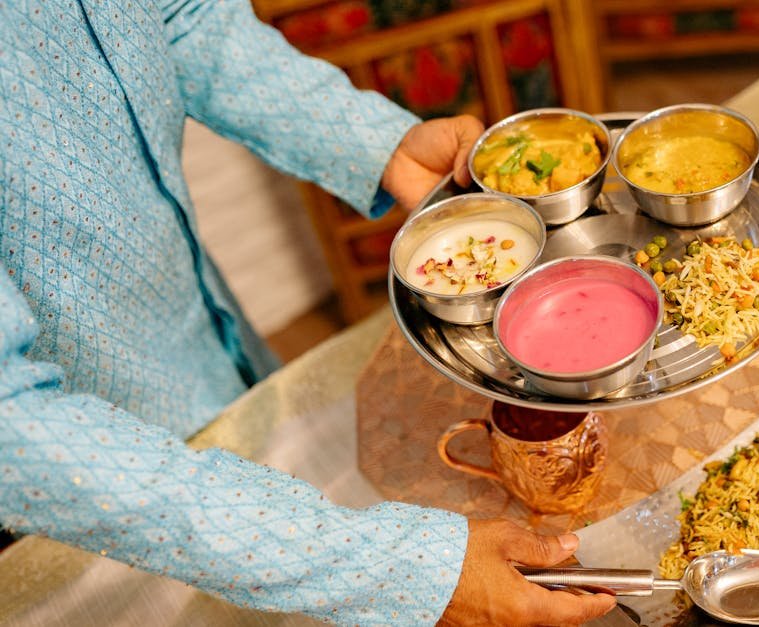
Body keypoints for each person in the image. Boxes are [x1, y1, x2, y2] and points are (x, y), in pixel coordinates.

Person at [0, 1, 615, 625]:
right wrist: (401, 570)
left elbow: (184, 19)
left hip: (202, 338)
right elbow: (15, 436)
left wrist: (376, 143)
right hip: (66, 503)